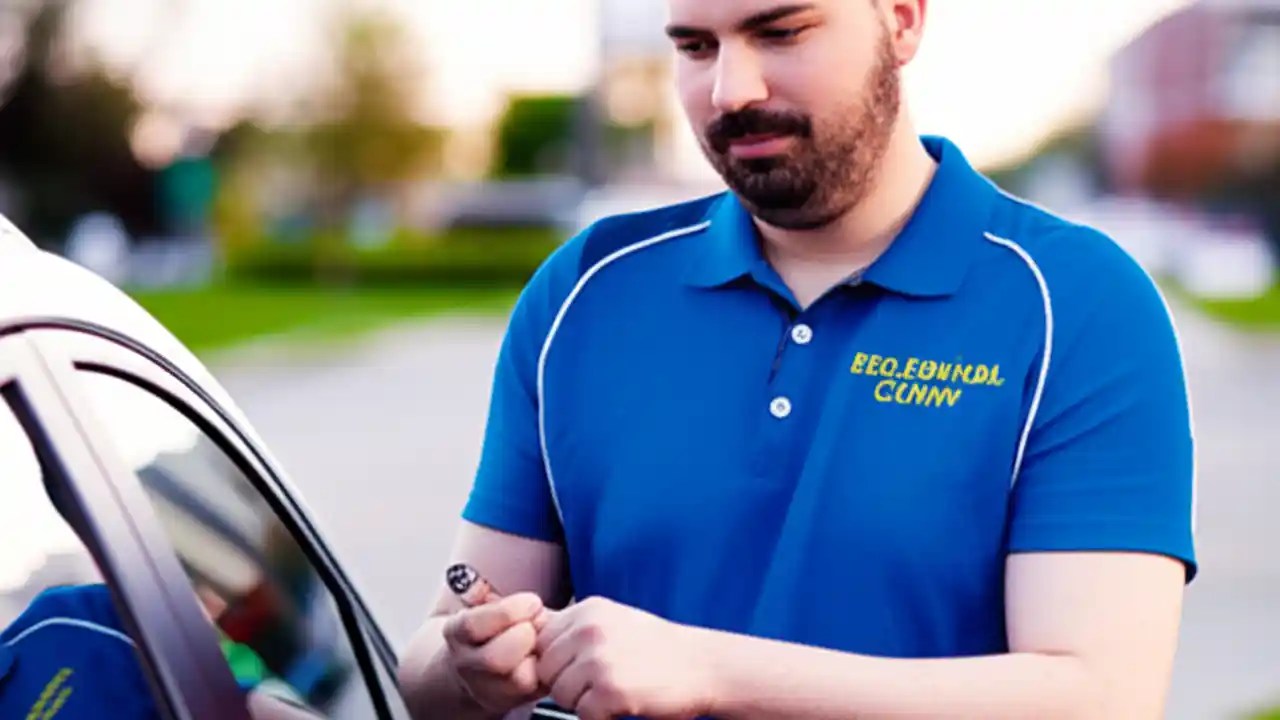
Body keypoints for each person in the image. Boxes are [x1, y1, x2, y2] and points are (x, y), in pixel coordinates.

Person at [396, 1, 1196, 718]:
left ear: (904, 20)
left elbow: (1100, 696)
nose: (729, 90)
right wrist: (472, 662)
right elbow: (432, 657)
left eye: (780, 32)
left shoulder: (1079, 303)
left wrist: (711, 670)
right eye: (696, 46)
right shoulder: (584, 291)